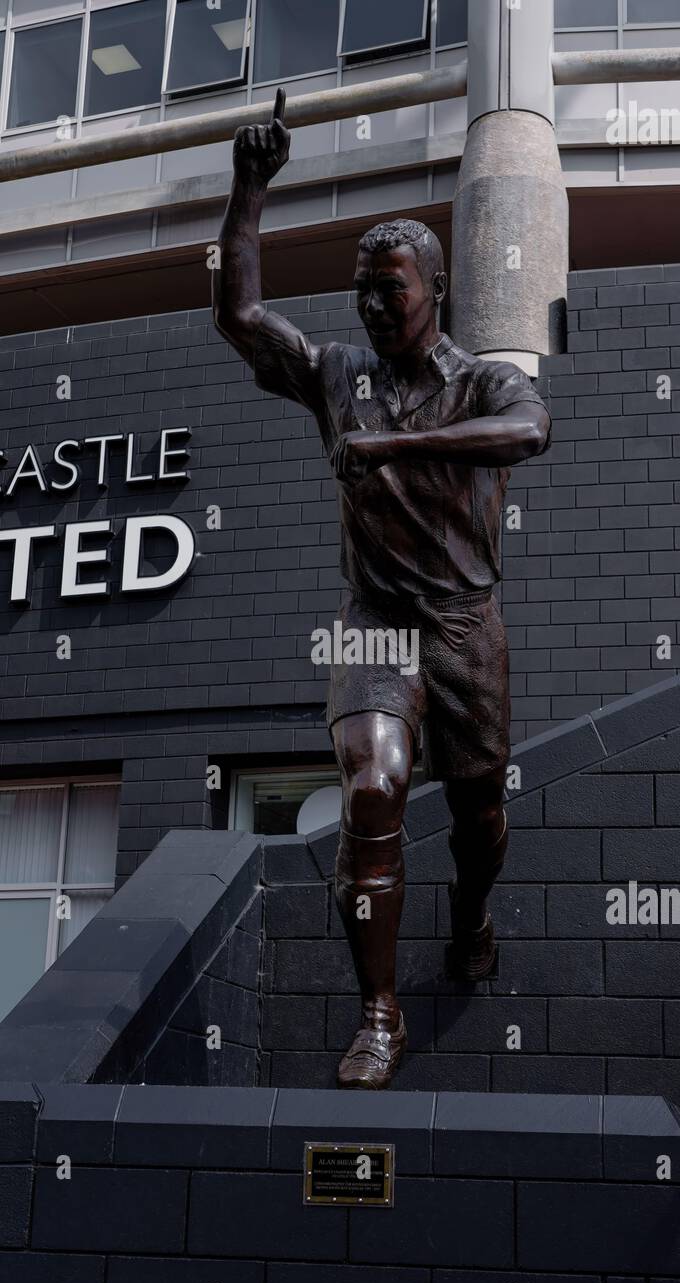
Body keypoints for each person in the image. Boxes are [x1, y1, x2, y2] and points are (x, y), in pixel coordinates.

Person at [213, 89, 552, 1090]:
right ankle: (377, 1013)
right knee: (369, 787)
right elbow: (237, 314)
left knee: (482, 817)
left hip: (462, 627)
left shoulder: (483, 381)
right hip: (376, 626)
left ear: (434, 289)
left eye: (387, 289)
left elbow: (530, 433)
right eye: (361, 288)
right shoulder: (333, 372)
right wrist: (247, 188)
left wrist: (399, 444)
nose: (368, 305)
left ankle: (473, 912)